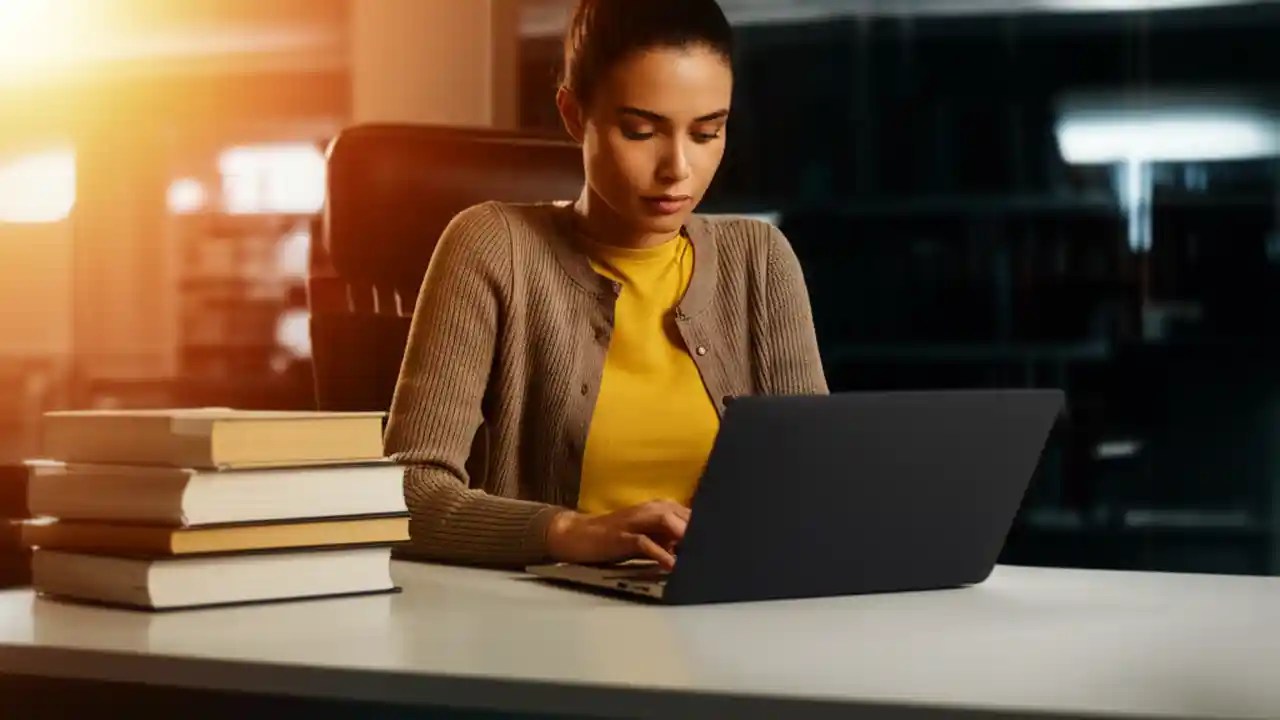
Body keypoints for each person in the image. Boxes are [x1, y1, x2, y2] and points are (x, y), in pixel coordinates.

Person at [383, 0, 827, 571]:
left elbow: (817, 486)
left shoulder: (761, 261)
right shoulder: (492, 247)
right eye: (641, 131)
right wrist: (569, 532)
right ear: (573, 114)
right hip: (543, 625)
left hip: (726, 620)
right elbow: (407, 493)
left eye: (707, 132)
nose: (678, 168)